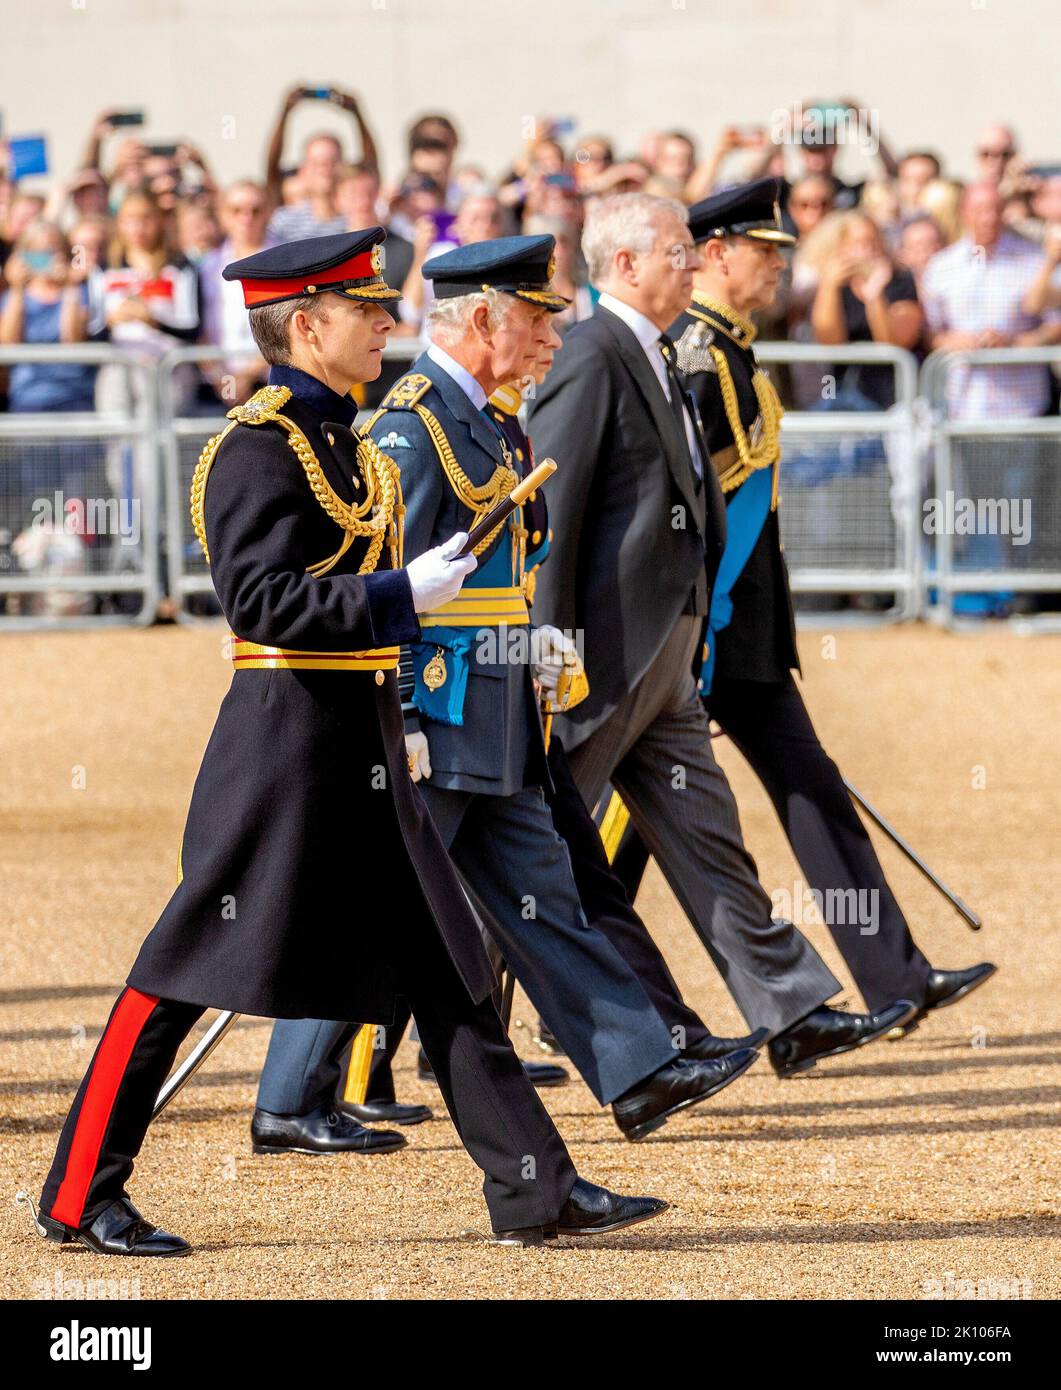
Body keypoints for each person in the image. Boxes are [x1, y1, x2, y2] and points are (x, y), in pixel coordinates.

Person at [29, 228, 665, 1255]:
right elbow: (261, 600)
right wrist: (395, 595)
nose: (383, 323)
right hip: (282, 751)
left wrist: (411, 646)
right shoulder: (254, 446)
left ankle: (535, 1184)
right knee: (181, 970)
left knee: (448, 966)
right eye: (363, 310)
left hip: (363, 740)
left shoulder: (347, 442)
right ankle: (75, 1191)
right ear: (308, 324)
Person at [256, 234, 758, 1150]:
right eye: (536, 319)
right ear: (482, 317)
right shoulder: (412, 423)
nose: (553, 340)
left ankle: (638, 1069)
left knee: (547, 895)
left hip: (496, 706)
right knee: (385, 900)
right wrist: (400, 713)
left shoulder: (484, 416)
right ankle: (291, 1096)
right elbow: (386, 577)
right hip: (439, 711)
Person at [601, 178, 998, 1042]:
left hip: (740, 625)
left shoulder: (728, 349)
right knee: (626, 824)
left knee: (798, 789)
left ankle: (894, 976)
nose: (779, 265)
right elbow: (680, 517)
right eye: (765, 250)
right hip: (702, 629)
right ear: (716, 255)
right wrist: (694, 630)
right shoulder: (698, 358)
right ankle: (592, 1002)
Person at [529, 192, 917, 1074]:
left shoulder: (658, 350)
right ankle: (410, 1038)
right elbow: (554, 509)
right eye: (675, 251)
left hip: (665, 648)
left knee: (708, 841)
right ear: (625, 264)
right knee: (529, 852)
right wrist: (546, 644)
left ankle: (790, 1010)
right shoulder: (592, 356)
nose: (691, 263)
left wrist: (702, 625)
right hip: (602, 655)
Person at [809, 209, 922, 407]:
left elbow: (891, 343)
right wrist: (828, 286)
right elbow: (828, 340)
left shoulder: (901, 282)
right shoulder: (836, 287)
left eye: (873, 242)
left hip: (889, 397)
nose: (867, 250)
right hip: (842, 392)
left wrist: (874, 296)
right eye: (858, 243)